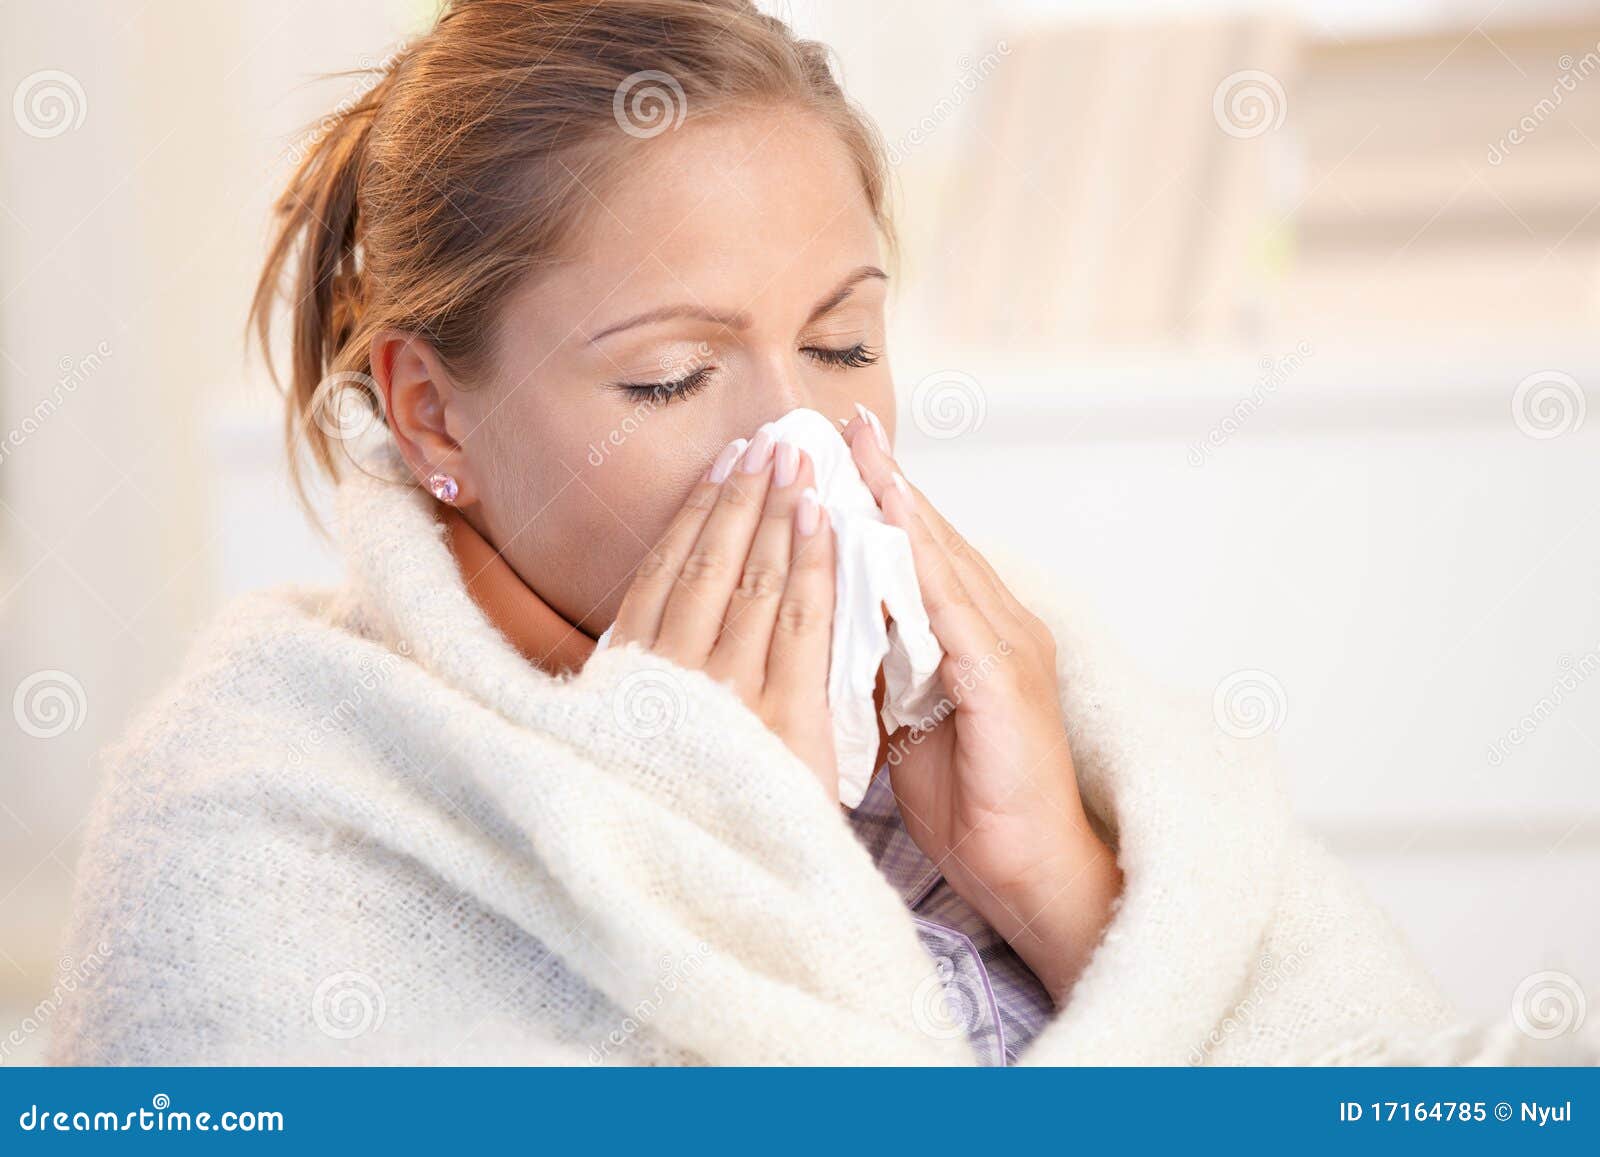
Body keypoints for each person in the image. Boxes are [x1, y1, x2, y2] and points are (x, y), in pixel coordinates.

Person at [52, 0, 1463, 1065]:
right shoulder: (265, 807)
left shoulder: (1018, 694)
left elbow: (1429, 1096)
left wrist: (1067, 888)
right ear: (432, 418)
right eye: (666, 376)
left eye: (844, 343)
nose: (803, 446)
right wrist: (723, 835)